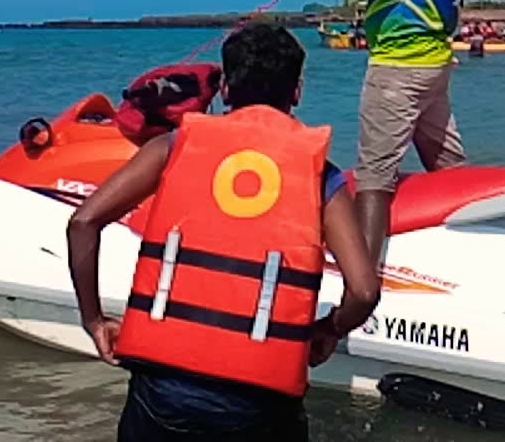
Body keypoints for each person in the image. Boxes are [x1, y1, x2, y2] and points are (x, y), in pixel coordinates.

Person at [67, 24, 380, 442]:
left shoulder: (171, 148)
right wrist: (328, 330)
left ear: (227, 90)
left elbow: (83, 223)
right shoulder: (320, 177)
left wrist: (93, 320)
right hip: (260, 405)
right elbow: (363, 291)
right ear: (298, 92)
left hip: (163, 394)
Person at [349, 0, 471, 262]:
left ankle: (362, 286)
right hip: (430, 64)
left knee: (374, 178)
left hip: (400, 67)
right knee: (448, 167)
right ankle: (467, 249)